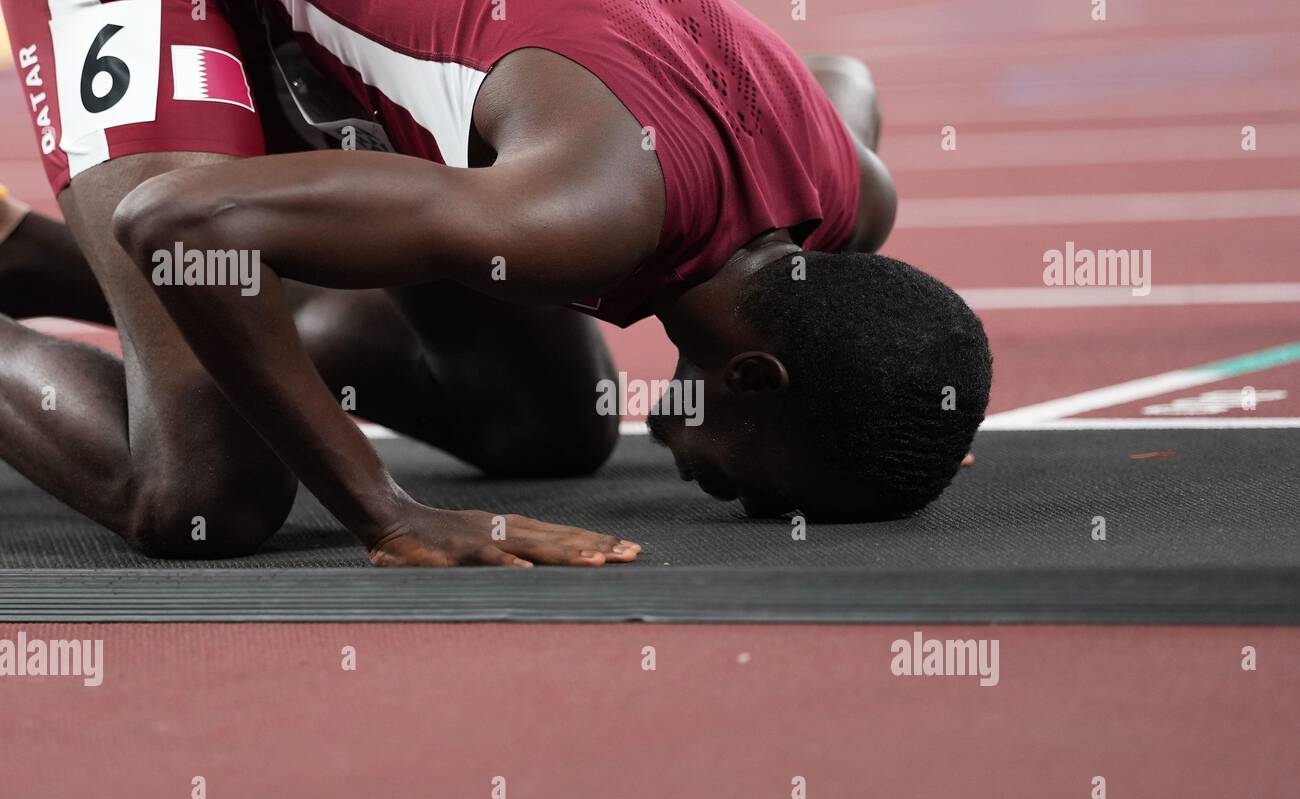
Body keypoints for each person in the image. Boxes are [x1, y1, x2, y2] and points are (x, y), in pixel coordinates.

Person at [1, 0, 991, 567]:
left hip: (416, 80)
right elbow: (170, 221)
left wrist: (888, 415)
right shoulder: (579, 212)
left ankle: (19, 257)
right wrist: (381, 508)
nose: (715, 488)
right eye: (755, 487)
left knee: (546, 425)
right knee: (204, 494)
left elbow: (841, 76)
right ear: (759, 377)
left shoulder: (849, 196)